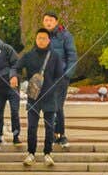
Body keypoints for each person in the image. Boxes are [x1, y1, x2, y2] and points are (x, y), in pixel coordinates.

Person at [18, 27, 67, 167]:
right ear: (36, 39)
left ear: (49, 40)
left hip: (49, 97)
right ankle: (31, 153)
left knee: (49, 127)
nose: (41, 40)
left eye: (44, 38)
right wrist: (21, 81)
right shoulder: (28, 55)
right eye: (39, 38)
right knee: (31, 127)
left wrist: (53, 88)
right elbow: (16, 68)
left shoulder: (55, 56)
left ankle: (47, 153)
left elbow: (60, 76)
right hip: (33, 97)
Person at [42, 12, 77, 145]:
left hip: (60, 77)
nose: (48, 23)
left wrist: (67, 74)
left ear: (56, 22)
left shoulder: (65, 36)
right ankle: (51, 134)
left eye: (51, 20)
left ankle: (61, 135)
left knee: (57, 106)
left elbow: (72, 56)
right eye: (46, 20)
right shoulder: (41, 36)